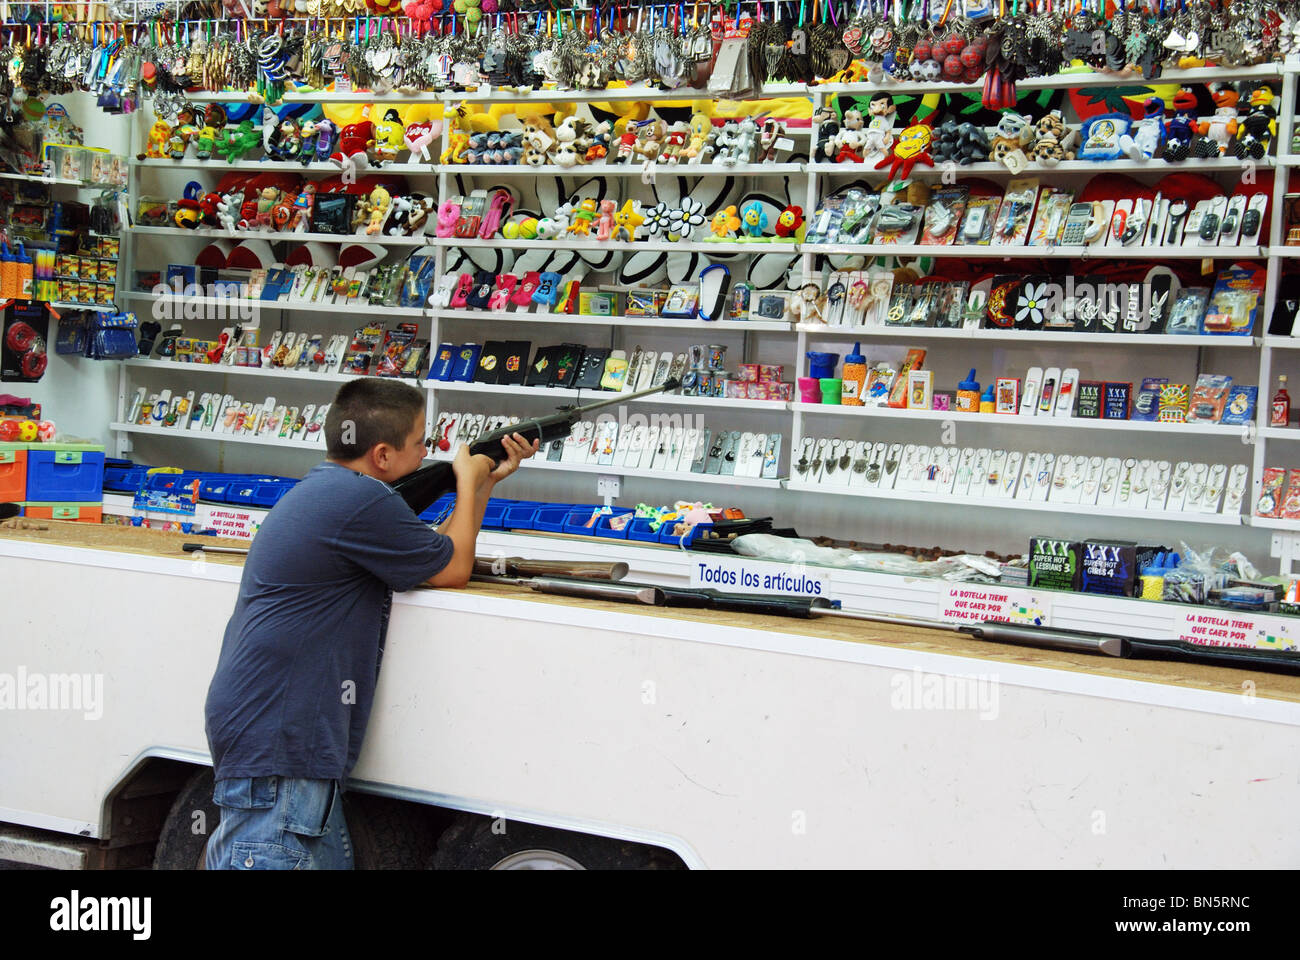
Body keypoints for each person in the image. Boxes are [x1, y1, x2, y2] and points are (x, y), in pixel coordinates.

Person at [203, 378, 536, 869]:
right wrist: (464, 481)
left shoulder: (335, 491)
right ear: (382, 455)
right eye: (422, 441)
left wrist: (481, 484)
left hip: (281, 743)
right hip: (281, 749)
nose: (429, 453)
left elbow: (433, 557)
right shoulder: (359, 501)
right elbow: (455, 569)